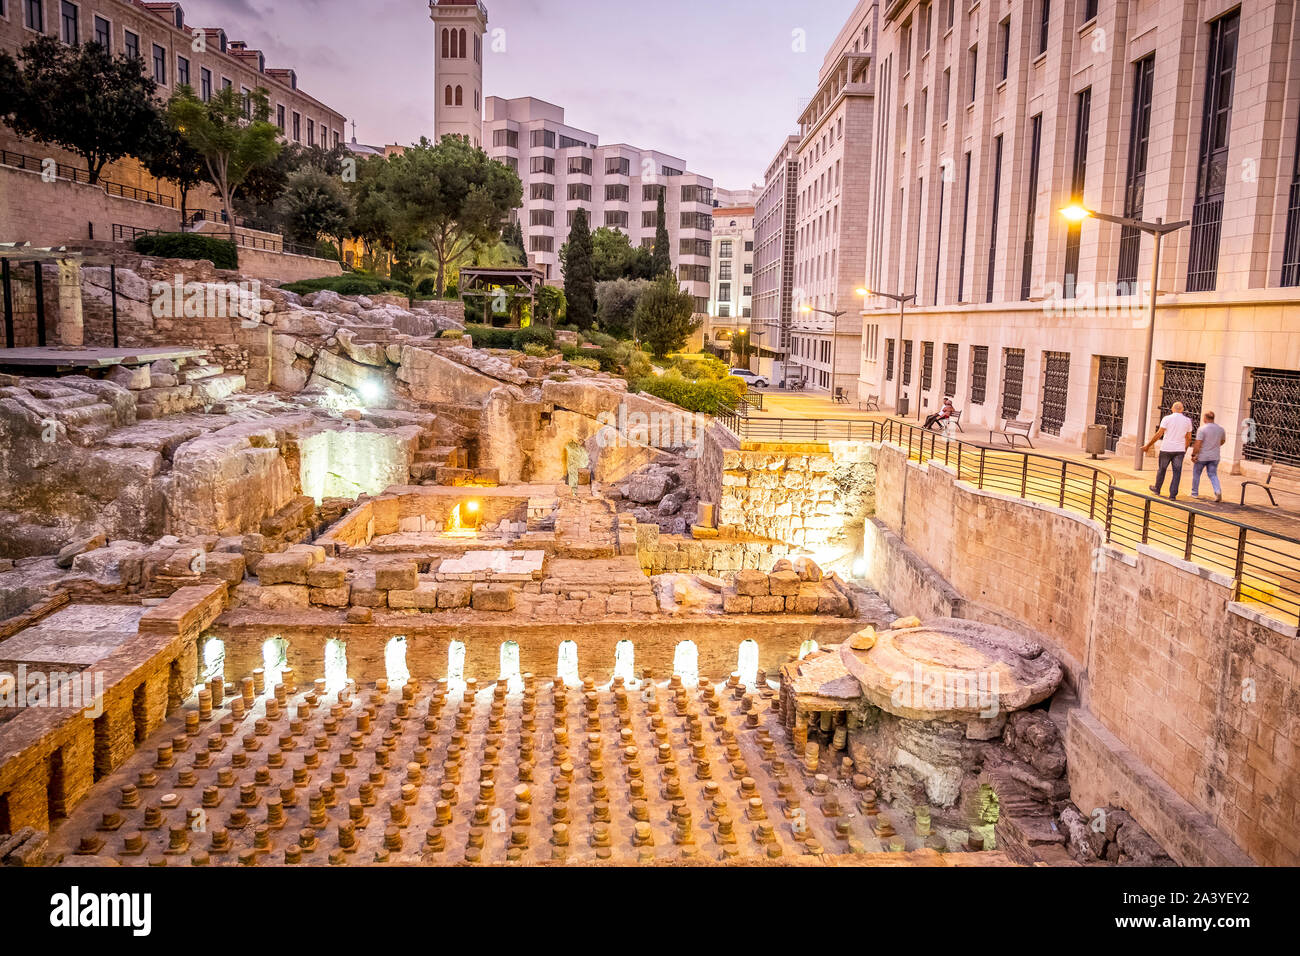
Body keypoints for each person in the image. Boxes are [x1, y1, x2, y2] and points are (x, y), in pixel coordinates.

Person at [1143, 402, 1194, 500]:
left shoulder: (1166, 419)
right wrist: (1185, 448)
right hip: (1179, 450)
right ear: (1182, 409)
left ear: (1172, 409)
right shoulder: (1187, 421)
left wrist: (1148, 445)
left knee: (1162, 469)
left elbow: (1159, 434)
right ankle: (1173, 495)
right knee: (1177, 472)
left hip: (1166, 448)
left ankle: (1157, 488)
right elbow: (1188, 438)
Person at [1190, 410, 1227, 502]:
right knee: (1213, 474)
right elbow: (1222, 441)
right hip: (1215, 456)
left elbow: (1198, 443)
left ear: (1205, 418)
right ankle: (1217, 491)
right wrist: (1214, 446)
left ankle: (1194, 493)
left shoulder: (1202, 429)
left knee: (1196, 473)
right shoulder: (1221, 429)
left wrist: (1194, 454)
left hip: (1202, 456)